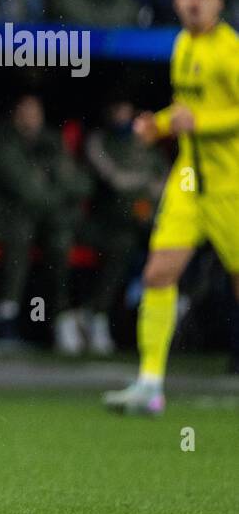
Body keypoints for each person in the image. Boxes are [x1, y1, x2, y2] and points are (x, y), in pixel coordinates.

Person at [105, 0, 239, 414]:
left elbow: (211, 115)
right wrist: (158, 125)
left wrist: (198, 123)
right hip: (188, 180)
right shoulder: (182, 45)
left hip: (230, 184)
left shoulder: (230, 51)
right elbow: (186, 111)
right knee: (159, 274)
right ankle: (150, 383)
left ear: (220, 1)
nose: (192, 0)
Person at [0, 93, 90, 353]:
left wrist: (53, 184)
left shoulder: (51, 141)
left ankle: (60, 318)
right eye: (25, 111)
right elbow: (25, 188)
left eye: (35, 111)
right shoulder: (4, 140)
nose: (31, 117)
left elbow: (80, 184)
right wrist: (55, 188)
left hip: (49, 218)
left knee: (60, 240)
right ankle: (5, 316)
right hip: (7, 216)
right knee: (20, 233)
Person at [79, 98, 168, 355]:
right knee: (123, 246)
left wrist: (147, 188)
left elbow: (164, 180)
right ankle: (98, 313)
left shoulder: (143, 144)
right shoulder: (99, 140)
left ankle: (171, 311)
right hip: (107, 222)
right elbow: (115, 180)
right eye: (117, 110)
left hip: (145, 220)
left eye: (127, 111)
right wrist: (144, 184)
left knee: (172, 243)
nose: (123, 116)